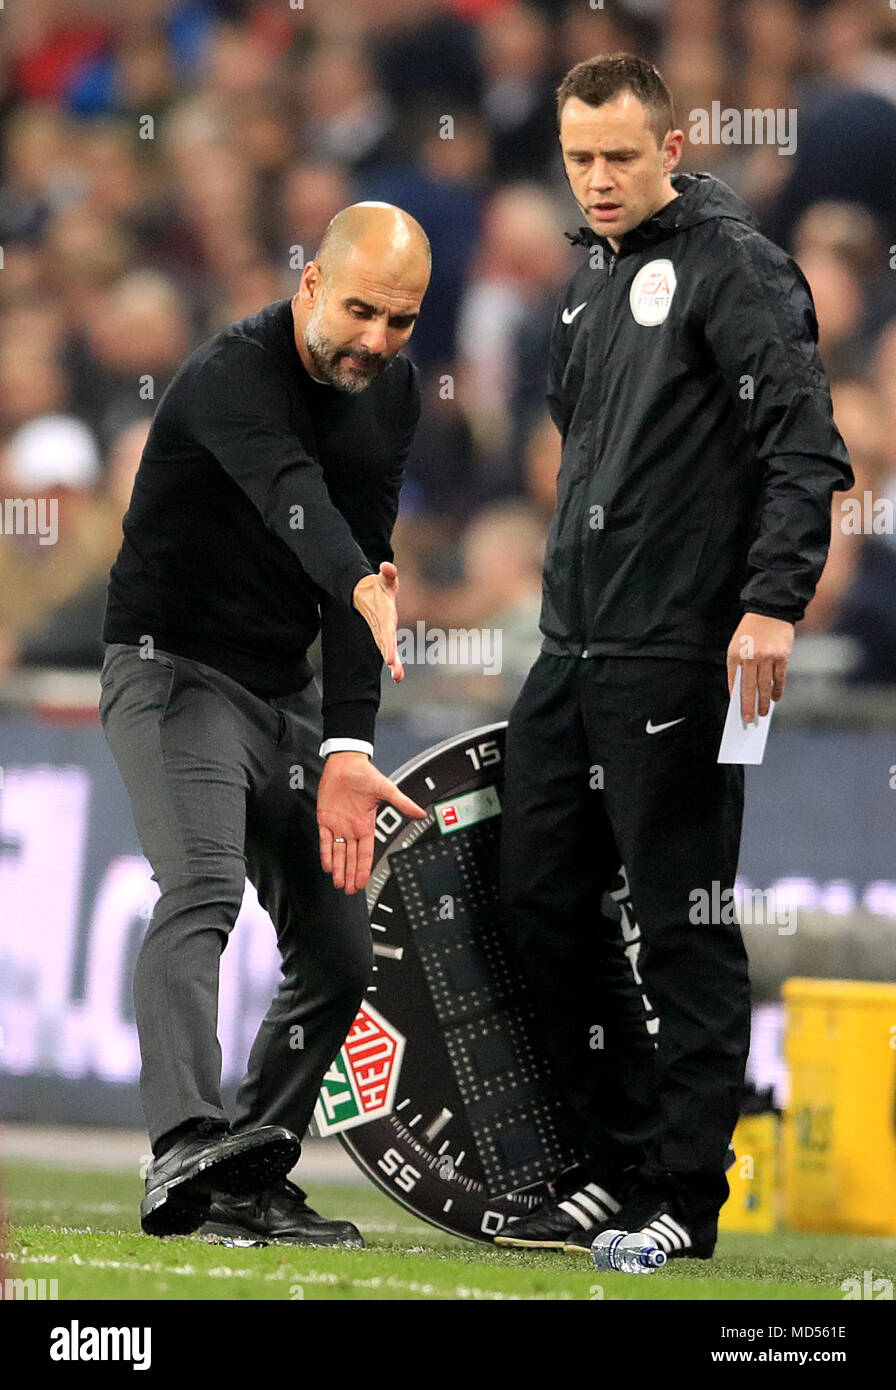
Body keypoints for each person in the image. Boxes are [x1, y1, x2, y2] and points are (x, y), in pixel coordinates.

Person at [495, 55, 851, 1260]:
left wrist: (768, 605)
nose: (595, 180)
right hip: (572, 649)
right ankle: (617, 1156)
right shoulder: (586, 279)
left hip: (681, 656)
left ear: (672, 143)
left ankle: (684, 1200)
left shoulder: (734, 266)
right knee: (535, 896)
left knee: (680, 922)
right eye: (577, 158)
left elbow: (807, 450)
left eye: (616, 156)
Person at [99, 202, 431, 1245]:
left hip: (282, 696)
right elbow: (302, 509)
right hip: (172, 674)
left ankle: (245, 1171)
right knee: (199, 886)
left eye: (402, 321)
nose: (377, 341)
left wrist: (347, 747)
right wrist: (360, 584)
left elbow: (362, 562)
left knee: (338, 947)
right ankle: (186, 1141)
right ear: (308, 288)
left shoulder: (394, 393)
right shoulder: (228, 375)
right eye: (362, 311)